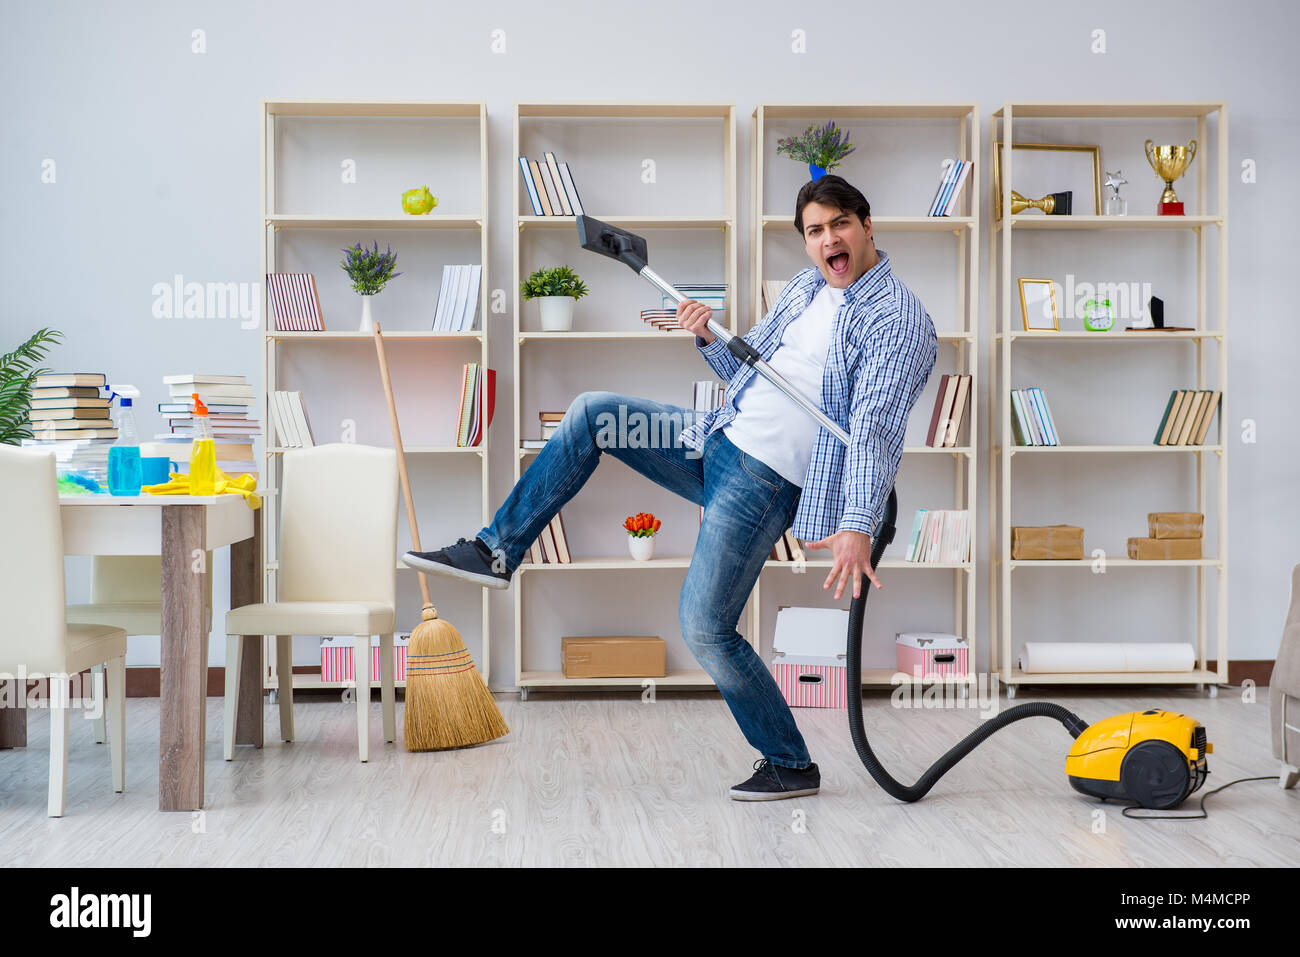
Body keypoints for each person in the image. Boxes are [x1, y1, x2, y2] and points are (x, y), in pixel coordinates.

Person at [404, 175, 937, 801]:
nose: (828, 240)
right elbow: (752, 365)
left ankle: (790, 762)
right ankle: (497, 550)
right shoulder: (805, 288)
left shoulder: (897, 319)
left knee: (705, 626)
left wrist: (857, 525)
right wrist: (708, 335)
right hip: (716, 437)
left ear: (867, 226)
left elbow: (873, 432)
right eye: (815, 232)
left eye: (839, 224)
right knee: (595, 412)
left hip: (762, 482)